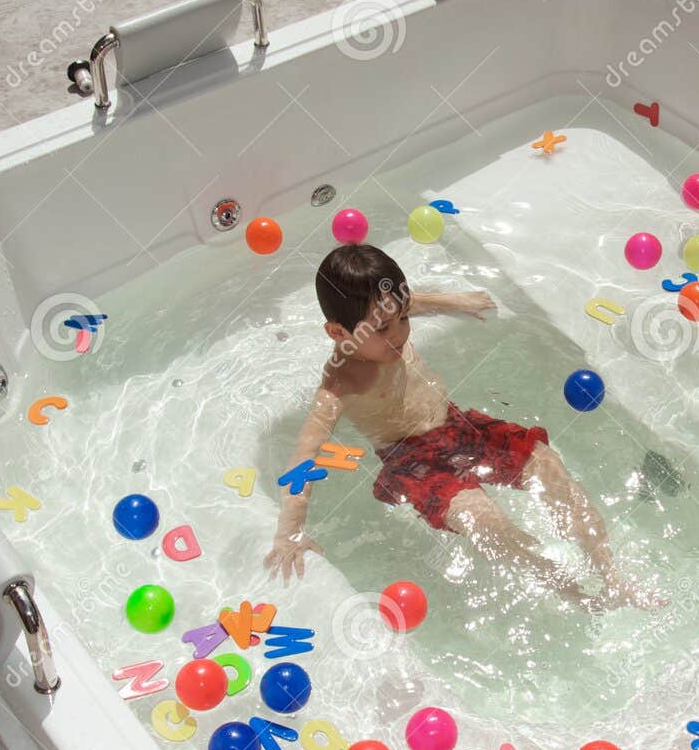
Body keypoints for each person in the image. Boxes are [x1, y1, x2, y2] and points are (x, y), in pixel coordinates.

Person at [264, 244, 659, 609]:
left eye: (402, 319)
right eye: (384, 328)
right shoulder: (340, 383)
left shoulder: (387, 323)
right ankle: (569, 590)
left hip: (458, 427)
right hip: (413, 460)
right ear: (338, 333)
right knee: (486, 522)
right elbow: (303, 456)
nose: (400, 332)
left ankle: (612, 575)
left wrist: (451, 302)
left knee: (546, 462)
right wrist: (290, 531)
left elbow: (406, 303)